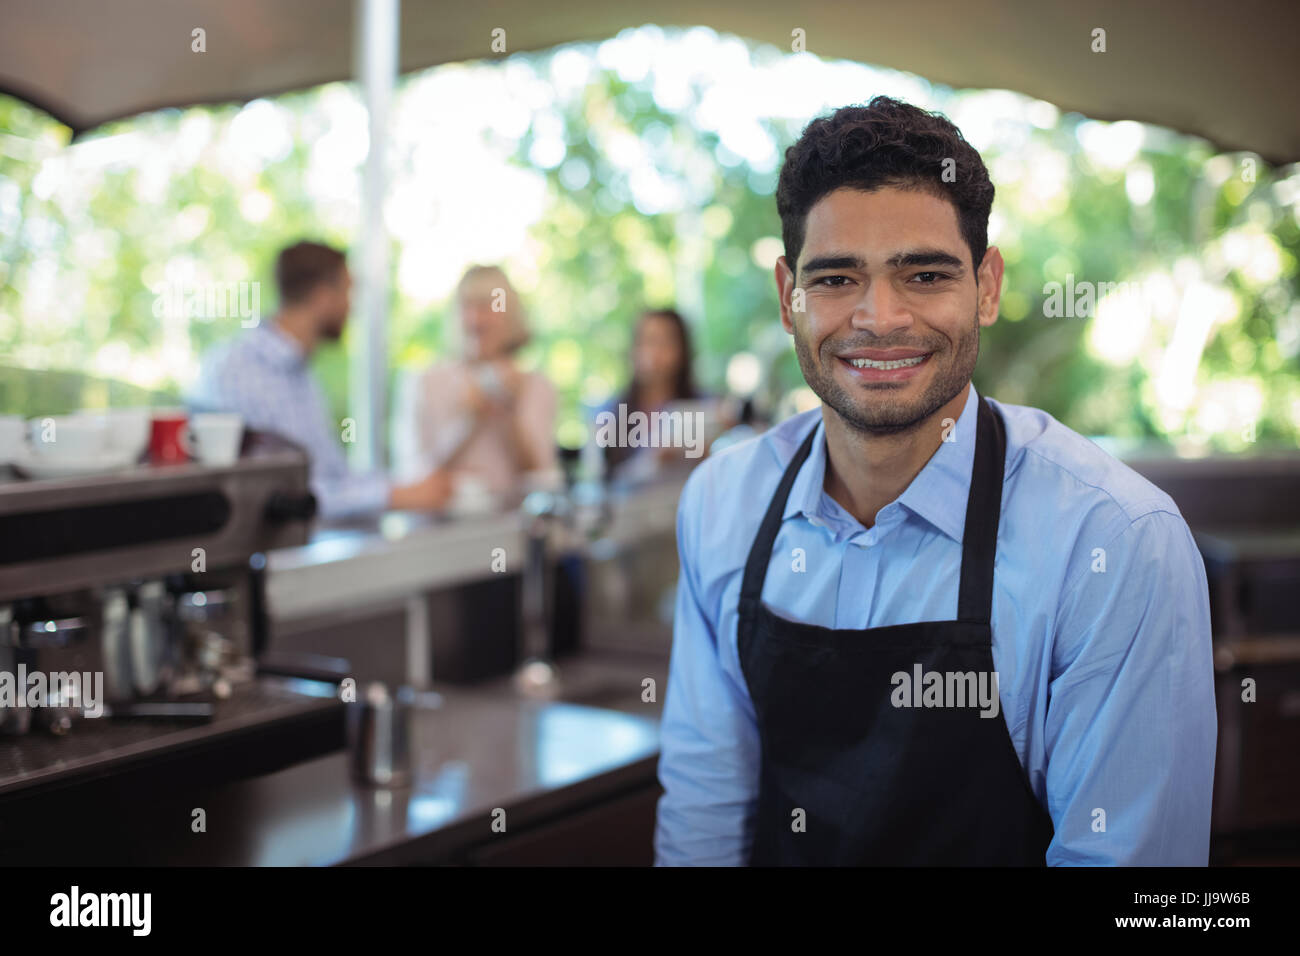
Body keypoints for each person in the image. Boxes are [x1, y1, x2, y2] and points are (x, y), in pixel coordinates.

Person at [654, 97, 1216, 866]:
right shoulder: (724, 506)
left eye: (923, 274)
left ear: (986, 286)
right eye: (837, 278)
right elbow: (705, 814)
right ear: (791, 294)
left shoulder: (1113, 541)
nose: (880, 318)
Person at [190, 241, 451, 519]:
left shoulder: (300, 372)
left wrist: (403, 488)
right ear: (323, 296)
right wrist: (392, 496)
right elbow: (279, 498)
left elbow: (332, 475)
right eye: (349, 292)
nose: (353, 308)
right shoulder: (237, 372)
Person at [397, 265, 558, 505]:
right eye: (466, 306)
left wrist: (512, 414)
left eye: (486, 306)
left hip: (510, 528)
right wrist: (469, 422)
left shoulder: (535, 386)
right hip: (442, 530)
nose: (474, 319)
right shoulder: (425, 381)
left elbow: (543, 480)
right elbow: (413, 480)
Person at [597, 308, 713, 482]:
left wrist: (709, 452)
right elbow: (602, 483)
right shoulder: (610, 413)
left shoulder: (707, 408)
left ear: (682, 349)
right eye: (647, 341)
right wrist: (653, 460)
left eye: (665, 342)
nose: (654, 352)